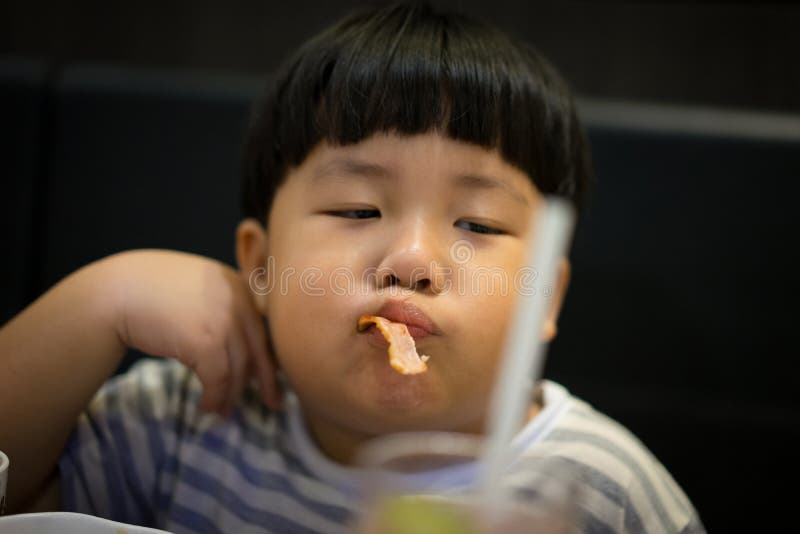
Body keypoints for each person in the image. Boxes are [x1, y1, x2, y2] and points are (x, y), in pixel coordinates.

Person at [0, 2, 704, 532]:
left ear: (545, 298)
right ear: (259, 265)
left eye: (479, 224)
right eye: (358, 210)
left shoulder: (603, 492)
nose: (412, 261)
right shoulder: (187, 416)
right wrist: (98, 300)